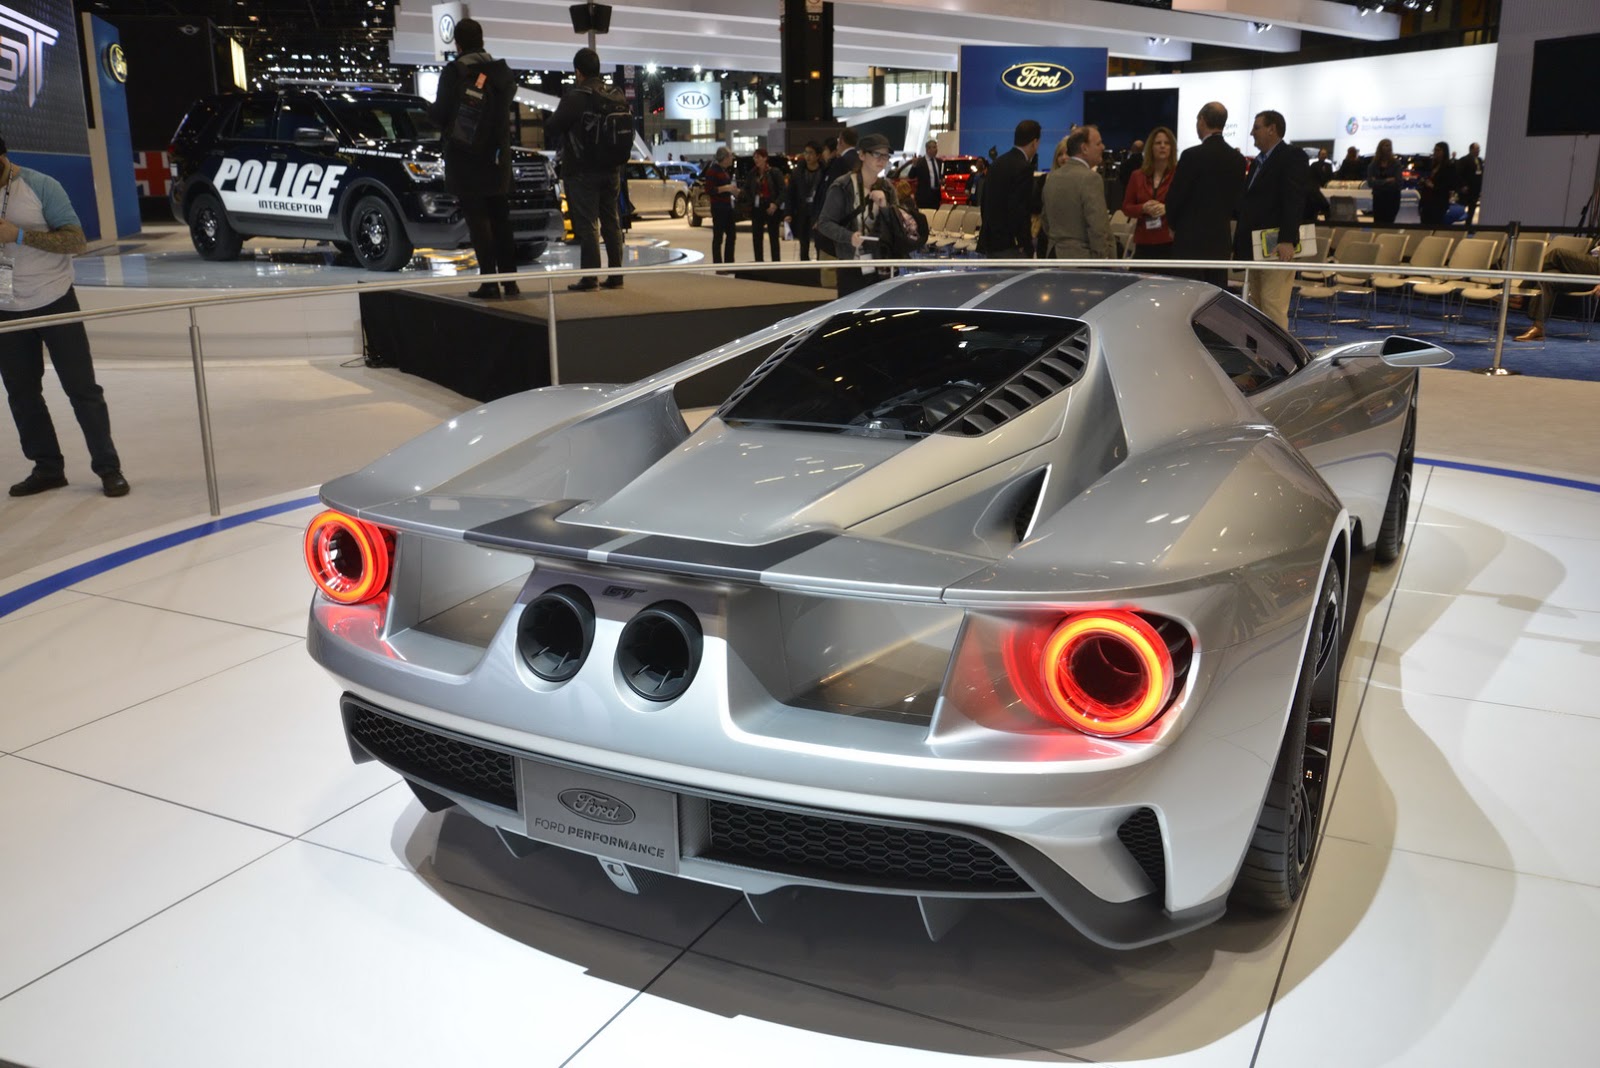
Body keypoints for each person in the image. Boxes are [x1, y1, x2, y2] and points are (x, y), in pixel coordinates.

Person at [0, 136, 128, 497]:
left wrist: (19, 235)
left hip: (54, 297)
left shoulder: (40, 186)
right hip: (7, 306)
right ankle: (47, 467)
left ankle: (108, 468)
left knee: (82, 388)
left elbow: (76, 241)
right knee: (21, 393)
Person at [429, 18, 519, 299]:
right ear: (482, 40)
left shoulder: (455, 72)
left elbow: (441, 114)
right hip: (497, 157)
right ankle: (510, 281)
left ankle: (489, 281)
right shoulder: (502, 73)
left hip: (466, 157)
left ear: (457, 43)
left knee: (478, 219)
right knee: (500, 218)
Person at [544, 47, 626, 291]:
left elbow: (552, 127)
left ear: (578, 72)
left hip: (582, 171)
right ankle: (617, 275)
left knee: (589, 224)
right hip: (611, 170)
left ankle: (590, 278)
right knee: (611, 221)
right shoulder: (616, 95)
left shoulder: (575, 97)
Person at [1234, 109, 1309, 329]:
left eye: (1256, 128)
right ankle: (1260, 356)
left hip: (1277, 246)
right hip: (1255, 245)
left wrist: (1287, 239)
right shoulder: (1259, 162)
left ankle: (1281, 361)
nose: (1251, 133)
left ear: (1272, 129)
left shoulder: (1291, 156)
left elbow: (1294, 199)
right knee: (1257, 303)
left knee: (1272, 303)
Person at [1165, 101, 1246, 289]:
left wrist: (1173, 224)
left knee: (1186, 297)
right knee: (1214, 298)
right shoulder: (1238, 160)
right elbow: (1236, 201)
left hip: (1190, 241)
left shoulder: (1191, 156)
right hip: (1220, 241)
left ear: (1202, 120)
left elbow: (1176, 196)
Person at [816, 132, 893, 297]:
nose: (881, 159)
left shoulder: (887, 188)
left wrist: (885, 206)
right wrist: (849, 236)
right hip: (851, 264)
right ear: (862, 155)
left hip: (882, 264)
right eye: (876, 154)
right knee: (851, 314)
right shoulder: (843, 186)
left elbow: (896, 227)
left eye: (885, 155)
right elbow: (824, 223)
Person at [1039, 126, 1112, 260]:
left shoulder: (1051, 178)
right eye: (1098, 143)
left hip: (1054, 256)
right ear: (1084, 148)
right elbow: (1097, 227)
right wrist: (1102, 262)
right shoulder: (1091, 178)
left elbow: (1045, 220)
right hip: (1082, 261)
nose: (1103, 147)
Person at [977, 119, 1041, 258]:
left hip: (991, 240)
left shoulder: (997, 163)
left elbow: (985, 201)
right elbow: (1020, 210)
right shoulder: (1023, 168)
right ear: (1035, 142)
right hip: (1011, 245)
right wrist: (1026, 244)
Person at [1515, 243, 1600, 341]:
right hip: (1591, 264)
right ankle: (1538, 327)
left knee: (1557, 254)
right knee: (1548, 278)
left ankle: (1519, 292)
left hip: (1596, 269)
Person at [1122, 125, 1177, 260]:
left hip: (1169, 242)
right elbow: (1126, 208)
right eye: (1158, 143)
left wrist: (1167, 208)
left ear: (1172, 148)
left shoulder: (1179, 175)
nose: (1162, 146)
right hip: (1143, 243)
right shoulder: (1137, 176)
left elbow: (1187, 207)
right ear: (1151, 148)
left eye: (1167, 143)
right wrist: (1143, 208)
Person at [784, 141, 826, 261]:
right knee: (803, 243)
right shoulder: (798, 172)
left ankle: (819, 269)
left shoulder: (824, 171)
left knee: (819, 242)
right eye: (806, 153)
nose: (808, 156)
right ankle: (804, 266)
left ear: (818, 155)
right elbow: (790, 193)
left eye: (811, 153)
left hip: (817, 212)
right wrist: (788, 213)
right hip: (801, 211)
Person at [743, 148, 786, 262]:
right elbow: (746, 189)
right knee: (757, 238)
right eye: (755, 157)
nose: (756, 160)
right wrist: (749, 202)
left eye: (758, 157)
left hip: (771, 206)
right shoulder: (752, 173)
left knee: (773, 237)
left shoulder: (774, 172)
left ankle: (776, 264)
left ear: (765, 158)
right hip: (757, 207)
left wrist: (776, 204)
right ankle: (759, 263)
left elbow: (783, 191)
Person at [701, 146, 737, 264]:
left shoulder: (724, 171)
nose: (732, 158)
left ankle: (729, 263)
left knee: (731, 235)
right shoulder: (713, 171)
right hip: (718, 207)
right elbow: (709, 190)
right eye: (730, 156)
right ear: (725, 158)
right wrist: (725, 188)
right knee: (718, 237)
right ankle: (718, 264)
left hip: (727, 206)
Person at [1417, 141, 1458, 227]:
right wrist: (1423, 182)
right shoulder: (1432, 165)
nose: (1435, 152)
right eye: (1434, 150)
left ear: (1444, 152)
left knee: (1435, 225)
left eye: (1438, 150)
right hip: (1427, 201)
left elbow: (1449, 185)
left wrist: (1433, 186)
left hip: (1438, 202)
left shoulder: (1449, 167)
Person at [1367, 138, 1402, 227]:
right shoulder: (1373, 164)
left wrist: (1378, 182)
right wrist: (1387, 181)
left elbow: (1398, 183)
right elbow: (1370, 183)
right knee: (1378, 223)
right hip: (1378, 199)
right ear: (1380, 148)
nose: (1389, 147)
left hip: (1392, 198)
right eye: (1386, 145)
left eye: (1390, 145)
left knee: (1389, 223)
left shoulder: (1396, 164)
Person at [908, 139, 943, 211]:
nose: (936, 150)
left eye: (936, 147)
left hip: (936, 196)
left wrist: (942, 180)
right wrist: (914, 165)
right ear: (928, 149)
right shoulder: (920, 162)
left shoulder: (939, 162)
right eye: (934, 147)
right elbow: (911, 176)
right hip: (924, 196)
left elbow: (940, 175)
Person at [1460, 142, 1485, 221]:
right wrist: (1463, 185)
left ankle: (1468, 225)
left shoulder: (1480, 160)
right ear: (1471, 149)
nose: (1478, 150)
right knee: (1462, 206)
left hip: (1475, 188)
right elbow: (1460, 174)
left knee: (1472, 208)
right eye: (1477, 149)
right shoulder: (1464, 160)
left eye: (1479, 149)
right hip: (1467, 188)